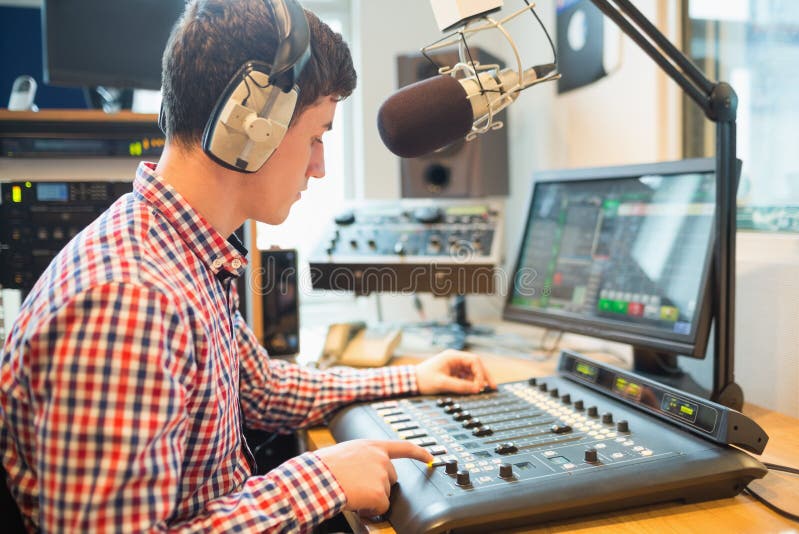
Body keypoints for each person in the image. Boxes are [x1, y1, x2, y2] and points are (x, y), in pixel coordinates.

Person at [0, 0, 497, 532]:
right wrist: (321, 479)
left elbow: (262, 389)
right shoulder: (131, 299)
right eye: (316, 136)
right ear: (249, 126)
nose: (321, 167)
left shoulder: (181, 251)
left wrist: (413, 377)